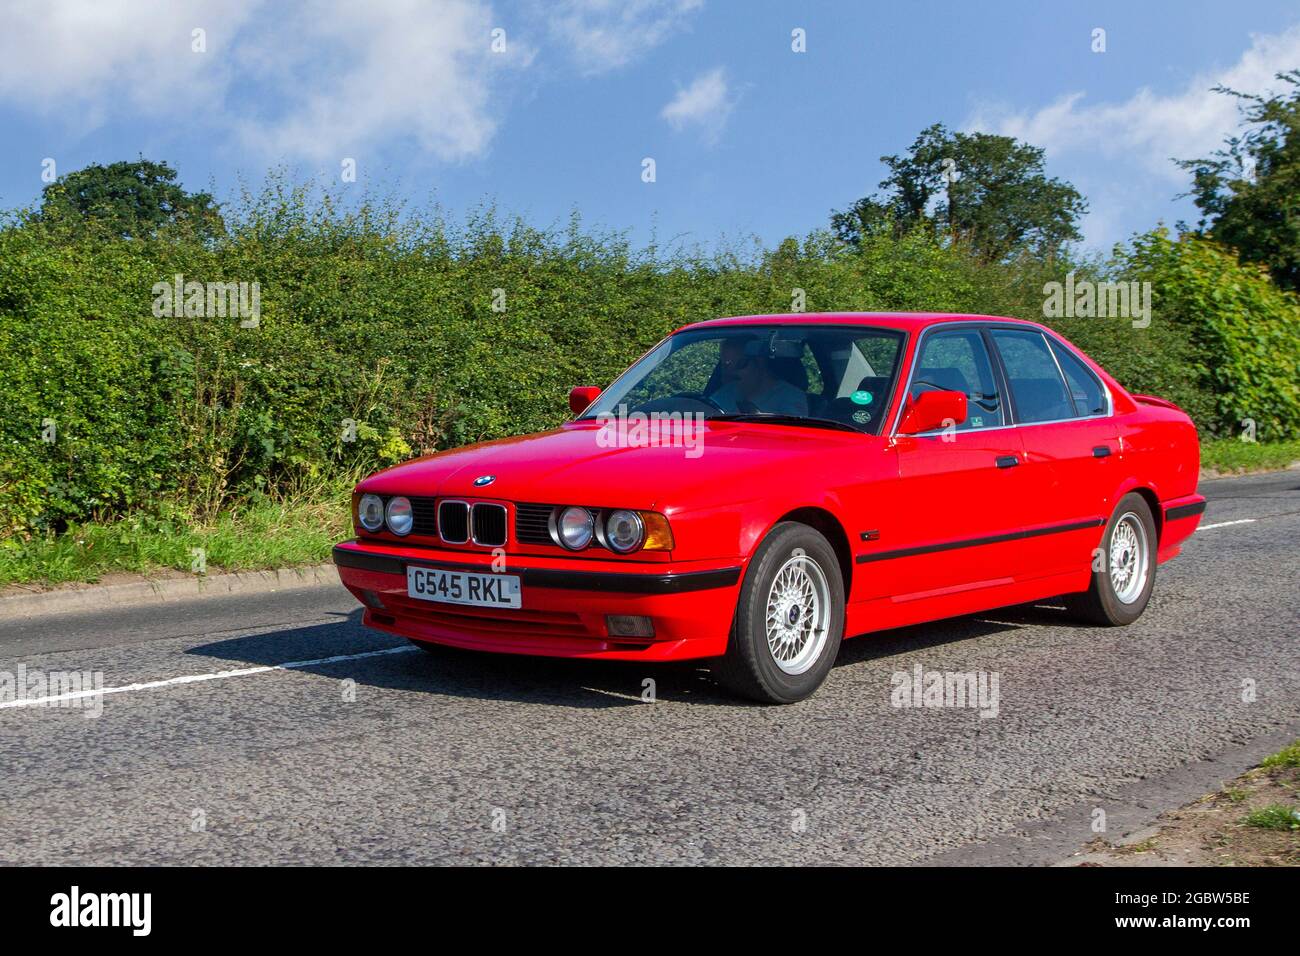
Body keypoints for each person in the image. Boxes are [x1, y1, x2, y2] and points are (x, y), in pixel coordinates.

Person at [709, 337, 809, 416]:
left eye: (741, 364)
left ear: (759, 362)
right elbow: (703, 417)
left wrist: (760, 417)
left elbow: (795, 436)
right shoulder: (726, 393)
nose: (731, 373)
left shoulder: (791, 396)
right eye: (726, 366)